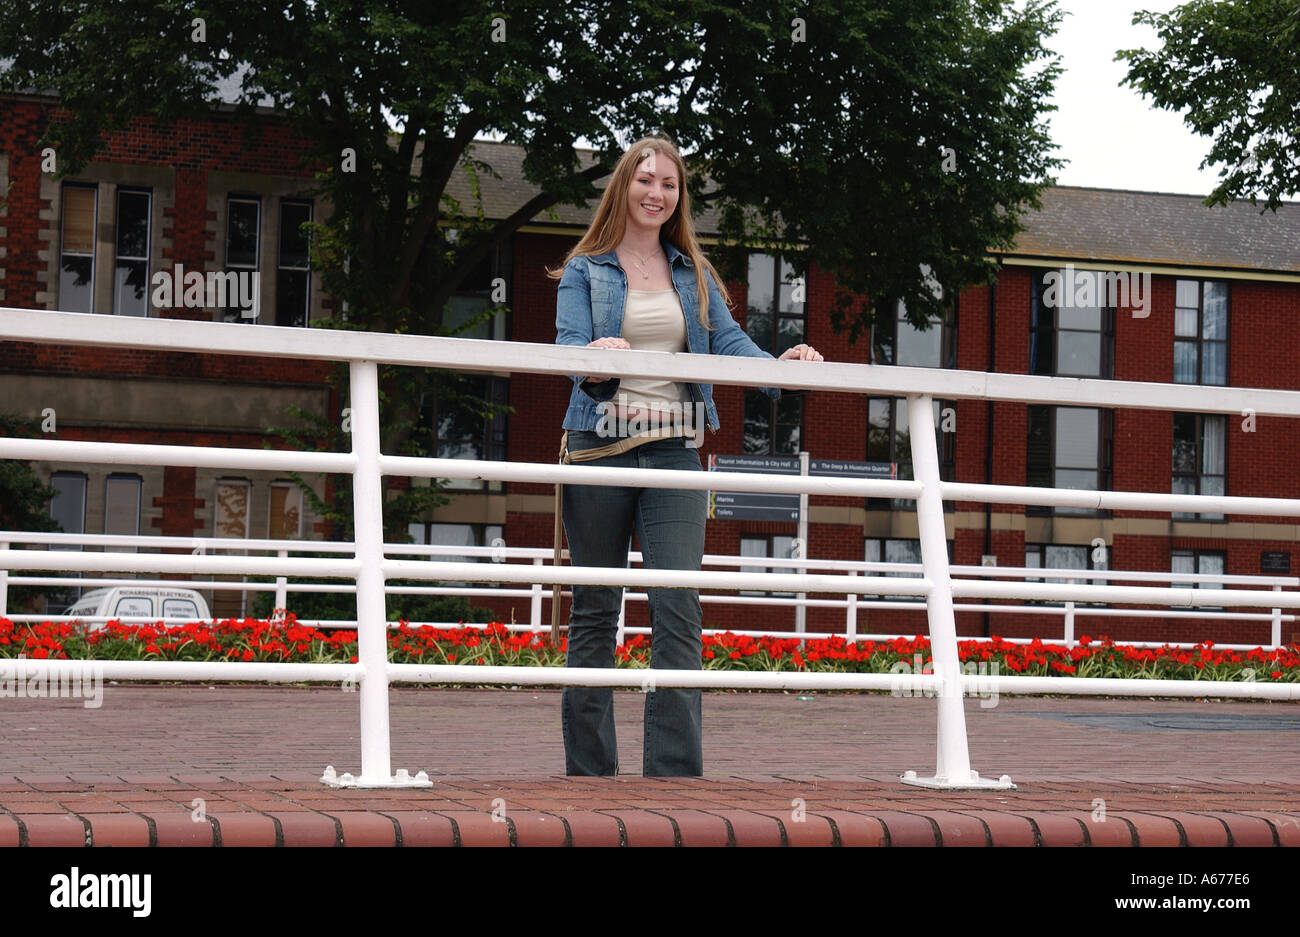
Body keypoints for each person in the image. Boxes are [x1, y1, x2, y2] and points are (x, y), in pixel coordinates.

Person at [548, 134, 824, 776]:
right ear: (624, 187)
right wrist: (596, 360)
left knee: (677, 605)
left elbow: (730, 343)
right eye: (645, 180)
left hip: (675, 450)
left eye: (669, 184)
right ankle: (589, 774)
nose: (656, 193)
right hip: (600, 448)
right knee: (595, 608)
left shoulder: (693, 273)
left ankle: (673, 777)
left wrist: (778, 366)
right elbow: (568, 350)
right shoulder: (586, 269)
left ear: (679, 197)